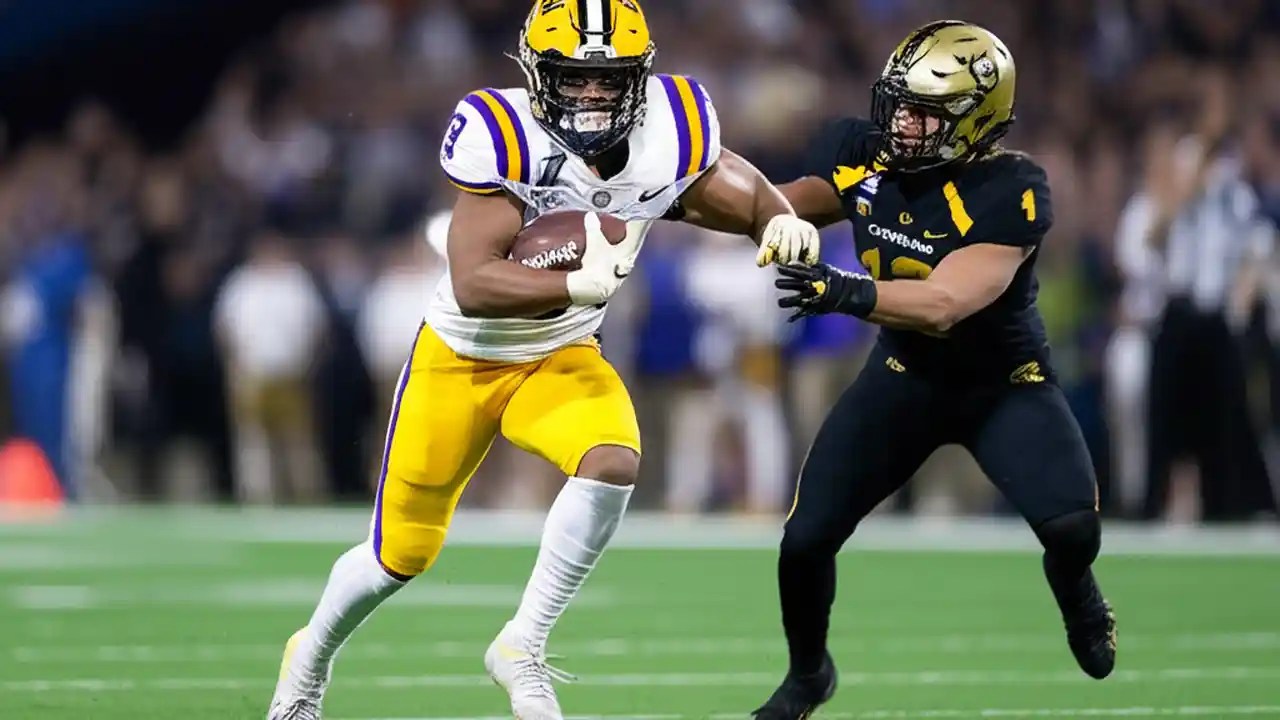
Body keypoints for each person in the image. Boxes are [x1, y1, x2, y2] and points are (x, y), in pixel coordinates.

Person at [266, 2, 820, 719]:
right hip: (463, 358)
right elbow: (473, 281)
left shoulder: (671, 126)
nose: (592, 94)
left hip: (559, 354)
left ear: (638, 79)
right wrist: (572, 283)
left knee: (613, 457)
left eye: (608, 79)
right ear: (536, 75)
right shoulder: (503, 134)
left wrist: (774, 213)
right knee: (397, 556)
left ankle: (522, 644)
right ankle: (307, 662)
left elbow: (719, 176)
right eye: (573, 77)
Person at [739, 21, 1117, 718]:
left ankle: (1076, 589)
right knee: (805, 539)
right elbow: (774, 204)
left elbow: (946, 302)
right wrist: (663, 198)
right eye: (900, 104)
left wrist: (846, 290)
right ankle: (808, 672)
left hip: (1002, 385)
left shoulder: (1013, 187)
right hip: (905, 374)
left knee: (1072, 530)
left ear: (978, 121)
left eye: (924, 111)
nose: (902, 123)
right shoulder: (863, 155)